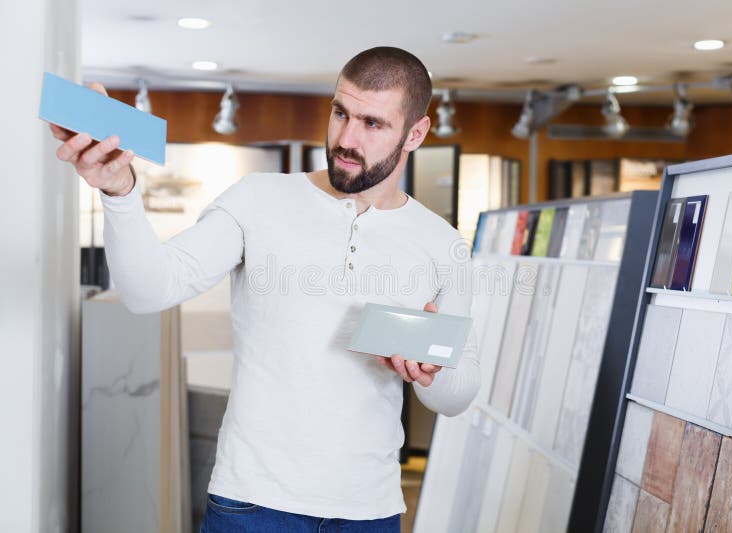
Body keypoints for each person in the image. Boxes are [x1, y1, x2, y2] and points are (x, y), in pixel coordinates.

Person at [50, 46, 480, 532]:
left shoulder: (442, 245)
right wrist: (120, 192)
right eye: (341, 112)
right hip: (251, 504)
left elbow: (460, 391)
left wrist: (431, 372)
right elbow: (148, 290)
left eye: (373, 124)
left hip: (370, 511)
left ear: (416, 133)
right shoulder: (258, 199)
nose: (346, 138)